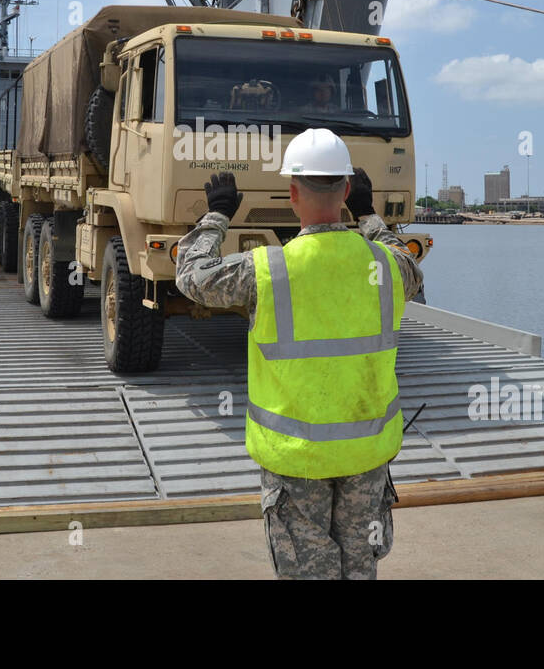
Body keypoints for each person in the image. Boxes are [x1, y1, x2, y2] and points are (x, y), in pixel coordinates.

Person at [174, 128, 423, 579]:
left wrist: (216, 216)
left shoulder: (267, 270)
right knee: (359, 567)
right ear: (346, 189)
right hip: (366, 455)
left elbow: (192, 276)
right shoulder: (387, 267)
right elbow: (405, 261)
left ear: (292, 193)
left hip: (296, 460)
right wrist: (369, 215)